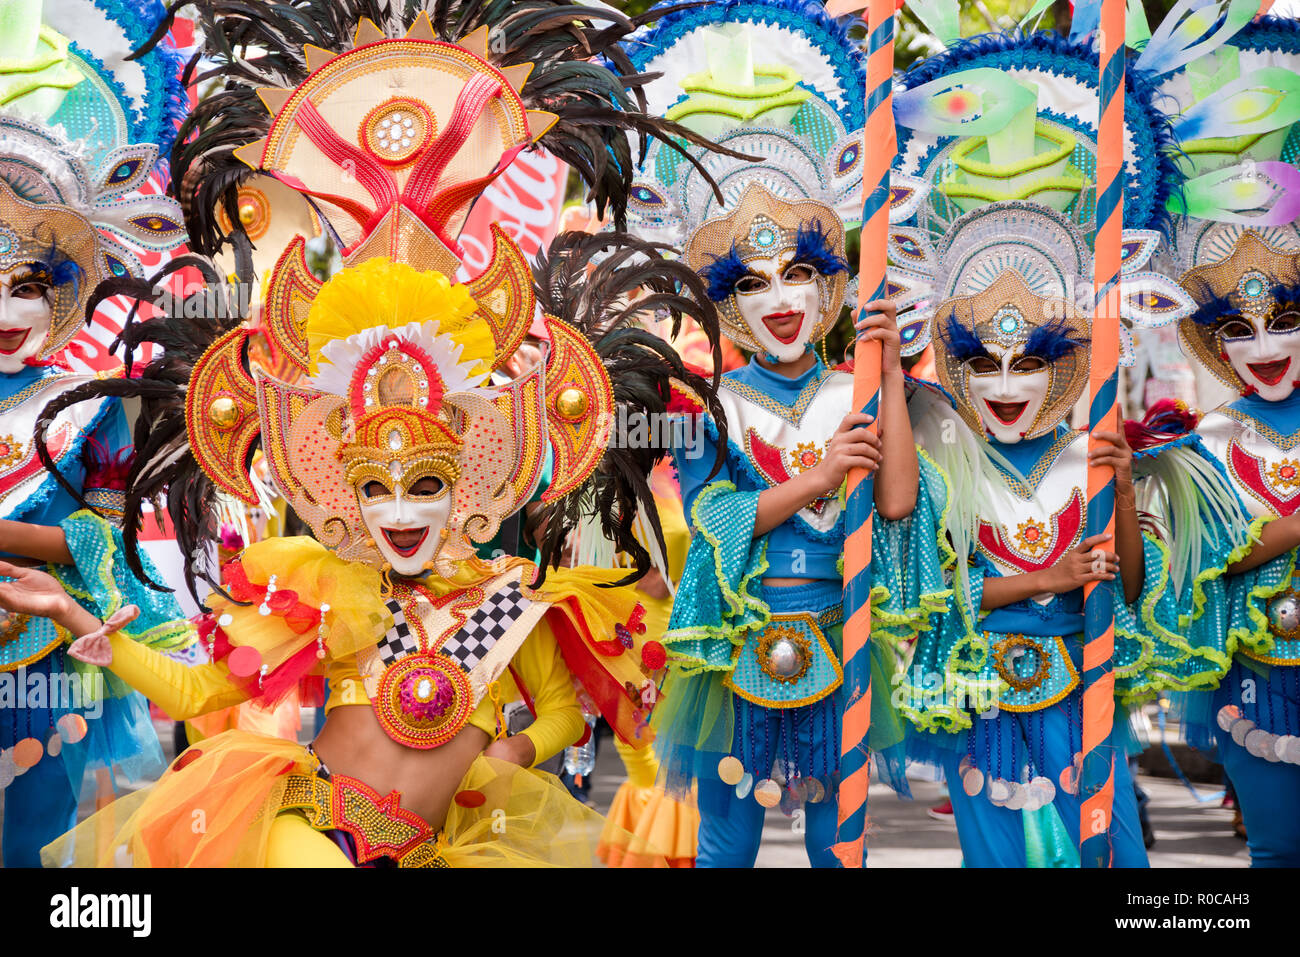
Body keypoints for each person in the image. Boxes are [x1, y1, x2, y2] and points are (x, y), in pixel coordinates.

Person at [3, 1, 734, 868]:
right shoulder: (321, 587)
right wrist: (81, 617)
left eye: (423, 484)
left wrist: (517, 751)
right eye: (376, 487)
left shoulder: (511, 597)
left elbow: (565, 714)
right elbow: (203, 688)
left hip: (438, 847)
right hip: (307, 827)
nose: (398, 509)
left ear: (467, 484)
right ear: (341, 491)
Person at [622, 1, 946, 868]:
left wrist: (891, 376)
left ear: (828, 288)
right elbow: (716, 526)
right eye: (757, 282)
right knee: (727, 848)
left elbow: (901, 500)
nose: (782, 297)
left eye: (800, 273)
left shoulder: (858, 388)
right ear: (731, 302)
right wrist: (816, 477)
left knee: (839, 851)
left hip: (842, 636)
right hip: (736, 647)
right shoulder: (705, 402)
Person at [0, 0, 194, 866]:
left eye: (31, 282)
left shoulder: (92, 400)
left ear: (70, 285)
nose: (10, 310)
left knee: (30, 832)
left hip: (38, 663)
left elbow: (106, 544)